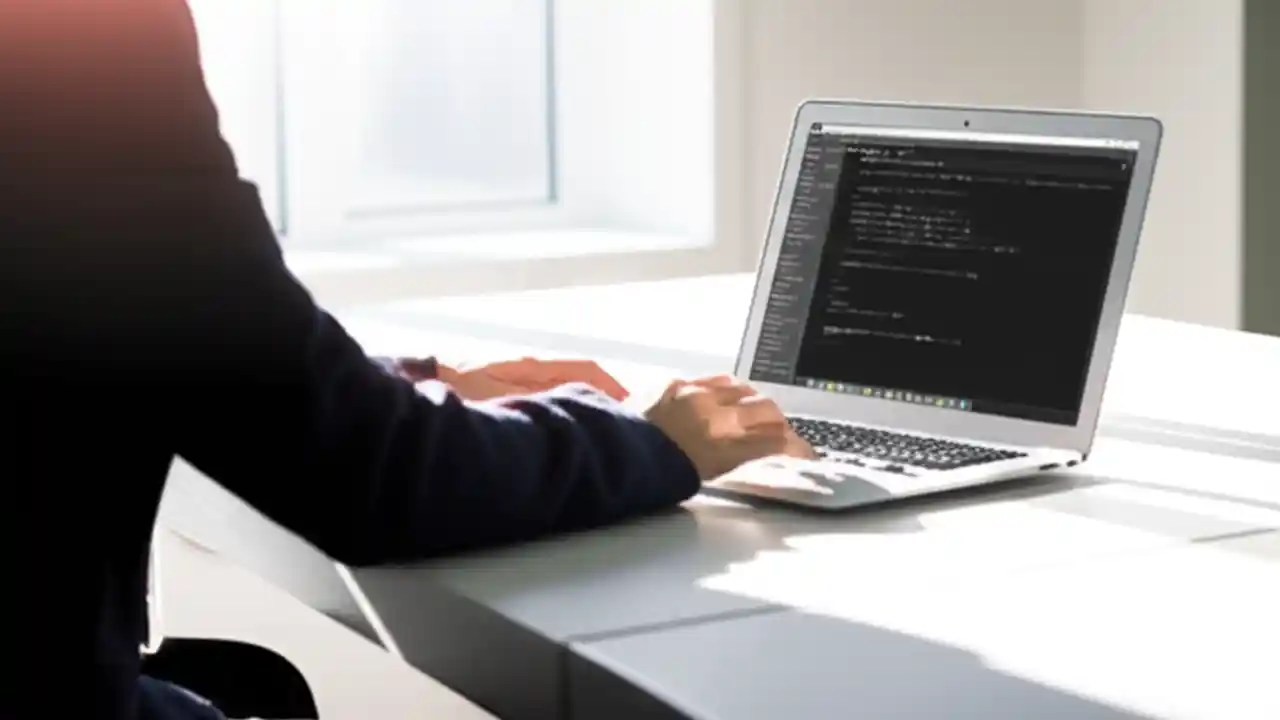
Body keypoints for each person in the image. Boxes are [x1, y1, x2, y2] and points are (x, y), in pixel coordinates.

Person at [0, 1, 811, 718]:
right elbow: (370, 477)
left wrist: (412, 381)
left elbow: (161, 338)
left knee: (264, 687)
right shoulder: (85, 35)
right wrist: (653, 441)